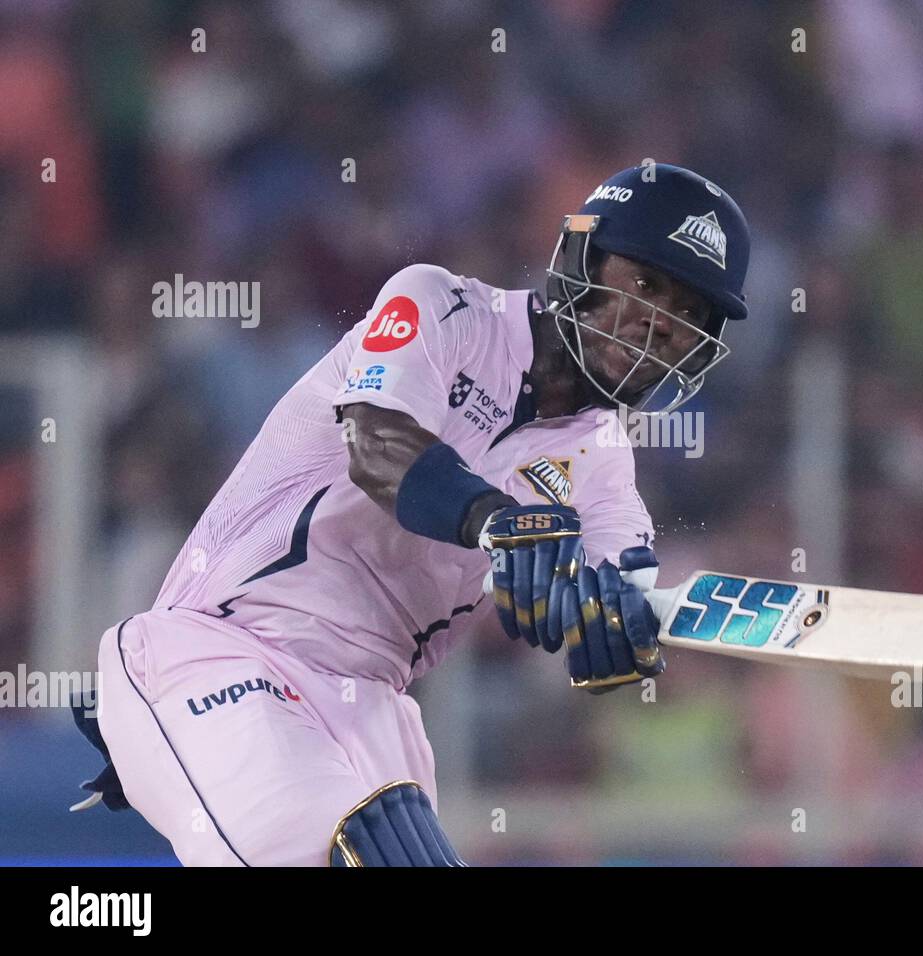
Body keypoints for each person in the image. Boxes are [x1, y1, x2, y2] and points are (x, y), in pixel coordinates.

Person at [72, 163, 751, 866]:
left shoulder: (606, 468)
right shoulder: (442, 306)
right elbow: (378, 446)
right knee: (336, 850)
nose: (656, 325)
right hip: (226, 647)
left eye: (684, 317)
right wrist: (501, 523)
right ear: (582, 255)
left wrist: (613, 622)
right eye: (644, 285)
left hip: (370, 710)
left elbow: (616, 589)